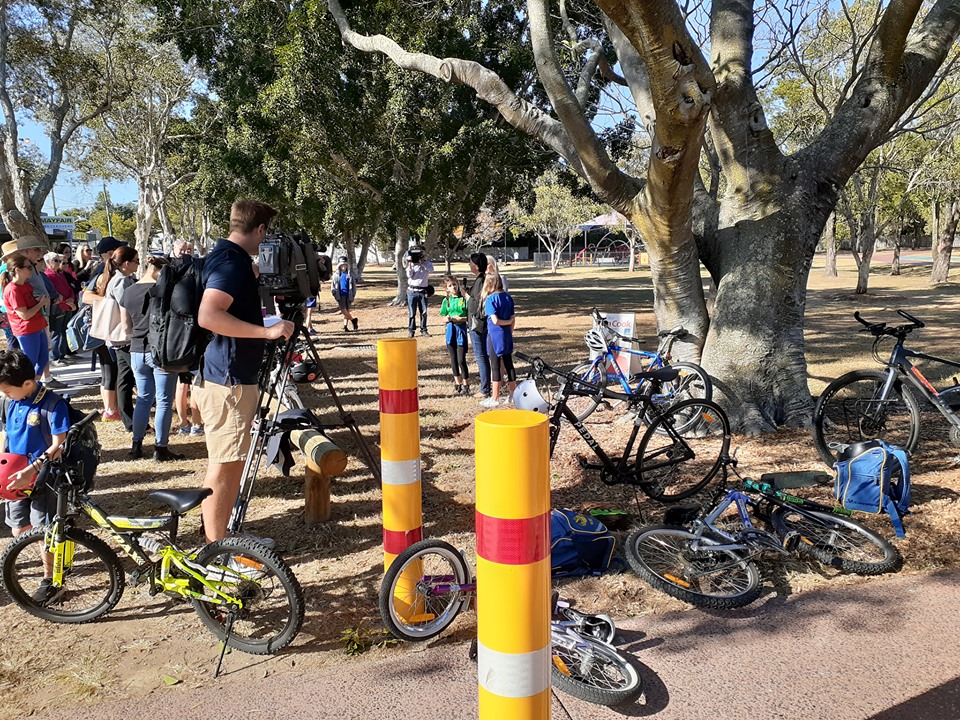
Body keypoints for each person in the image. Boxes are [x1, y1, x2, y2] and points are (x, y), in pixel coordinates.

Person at [195, 199, 293, 544]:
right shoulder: (230, 263)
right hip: (229, 382)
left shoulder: (228, 259)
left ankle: (221, 537)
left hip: (227, 377)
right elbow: (209, 315)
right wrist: (266, 332)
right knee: (226, 467)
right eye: (268, 234)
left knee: (226, 465)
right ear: (260, 230)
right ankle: (220, 549)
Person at [0, 349, 69, 602]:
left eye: (7, 390)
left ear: (27, 383)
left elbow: (58, 445)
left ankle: (51, 579)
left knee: (44, 529)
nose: (4, 395)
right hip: (14, 479)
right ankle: (17, 566)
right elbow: (6, 435)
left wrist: (31, 471)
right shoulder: (10, 402)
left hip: (44, 478)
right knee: (19, 528)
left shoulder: (53, 404)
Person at [121, 256, 184, 462]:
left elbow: (125, 327)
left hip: (136, 350)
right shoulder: (164, 290)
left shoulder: (128, 291)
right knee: (164, 401)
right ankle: (160, 446)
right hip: (160, 351)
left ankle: (136, 445)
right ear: (159, 270)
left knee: (143, 399)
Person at [81, 236, 127, 423]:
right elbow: (86, 297)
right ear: (110, 254)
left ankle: (111, 407)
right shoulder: (102, 269)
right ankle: (110, 410)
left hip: (106, 325)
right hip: (103, 326)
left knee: (111, 368)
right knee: (109, 368)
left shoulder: (109, 270)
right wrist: (111, 302)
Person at [104, 246, 139, 434]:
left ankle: (129, 420)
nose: (138, 264)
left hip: (121, 338)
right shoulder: (121, 282)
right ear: (127, 263)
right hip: (124, 337)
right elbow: (126, 308)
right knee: (128, 378)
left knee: (124, 378)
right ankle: (131, 420)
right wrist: (130, 331)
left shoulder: (119, 279)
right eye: (136, 261)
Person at [1, 254, 49, 379]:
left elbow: (29, 305)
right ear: (18, 270)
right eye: (28, 267)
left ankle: (34, 386)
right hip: (26, 330)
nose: (31, 269)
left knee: (43, 359)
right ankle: (24, 389)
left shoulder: (25, 285)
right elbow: (24, 315)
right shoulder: (13, 289)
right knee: (29, 363)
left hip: (37, 326)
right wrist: (40, 303)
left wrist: (38, 301)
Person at [479, 267, 517, 408]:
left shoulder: (491, 299)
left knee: (495, 365)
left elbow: (495, 320)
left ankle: (495, 397)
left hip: (495, 335)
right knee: (509, 364)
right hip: (507, 335)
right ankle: (512, 394)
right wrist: (509, 328)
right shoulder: (508, 297)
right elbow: (513, 318)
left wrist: (504, 323)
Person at [43, 253, 76, 367]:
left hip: (67, 306)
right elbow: (54, 294)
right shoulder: (48, 276)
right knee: (56, 333)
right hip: (58, 307)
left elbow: (68, 288)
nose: (58, 263)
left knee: (64, 332)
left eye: (59, 261)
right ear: (48, 262)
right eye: (55, 260)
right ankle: (54, 357)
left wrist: (71, 299)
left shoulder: (60, 274)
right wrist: (65, 301)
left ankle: (62, 355)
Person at [439, 275, 470, 395]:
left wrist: (461, 318)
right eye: (450, 286)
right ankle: (458, 383)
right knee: (453, 360)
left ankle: (467, 383)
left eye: (455, 284)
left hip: (461, 331)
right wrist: (447, 318)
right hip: (450, 331)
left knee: (461, 360)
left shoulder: (464, 299)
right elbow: (442, 317)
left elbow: (469, 316)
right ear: (447, 288)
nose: (453, 287)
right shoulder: (446, 301)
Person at [466, 253, 492, 399]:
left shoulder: (481, 281)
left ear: (476, 266)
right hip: (478, 323)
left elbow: (476, 305)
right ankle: (486, 386)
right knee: (482, 355)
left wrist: (467, 296)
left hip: (477, 324)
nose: (469, 265)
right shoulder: (481, 280)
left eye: (470, 263)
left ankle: (485, 389)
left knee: (481, 355)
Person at [403, 246, 434, 337]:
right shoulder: (411, 264)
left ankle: (424, 330)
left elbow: (431, 270)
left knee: (424, 312)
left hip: (423, 291)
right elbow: (409, 275)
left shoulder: (427, 264)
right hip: (412, 291)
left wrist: (422, 263)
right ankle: (411, 330)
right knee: (412, 312)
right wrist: (409, 263)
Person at [331, 256, 358, 332]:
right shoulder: (336, 275)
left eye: (345, 265)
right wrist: (335, 294)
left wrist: (353, 294)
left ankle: (345, 326)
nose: (343, 267)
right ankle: (353, 320)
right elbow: (333, 286)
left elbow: (353, 286)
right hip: (340, 295)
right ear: (339, 266)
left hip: (348, 295)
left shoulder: (349, 275)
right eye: (342, 265)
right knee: (343, 310)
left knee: (347, 311)